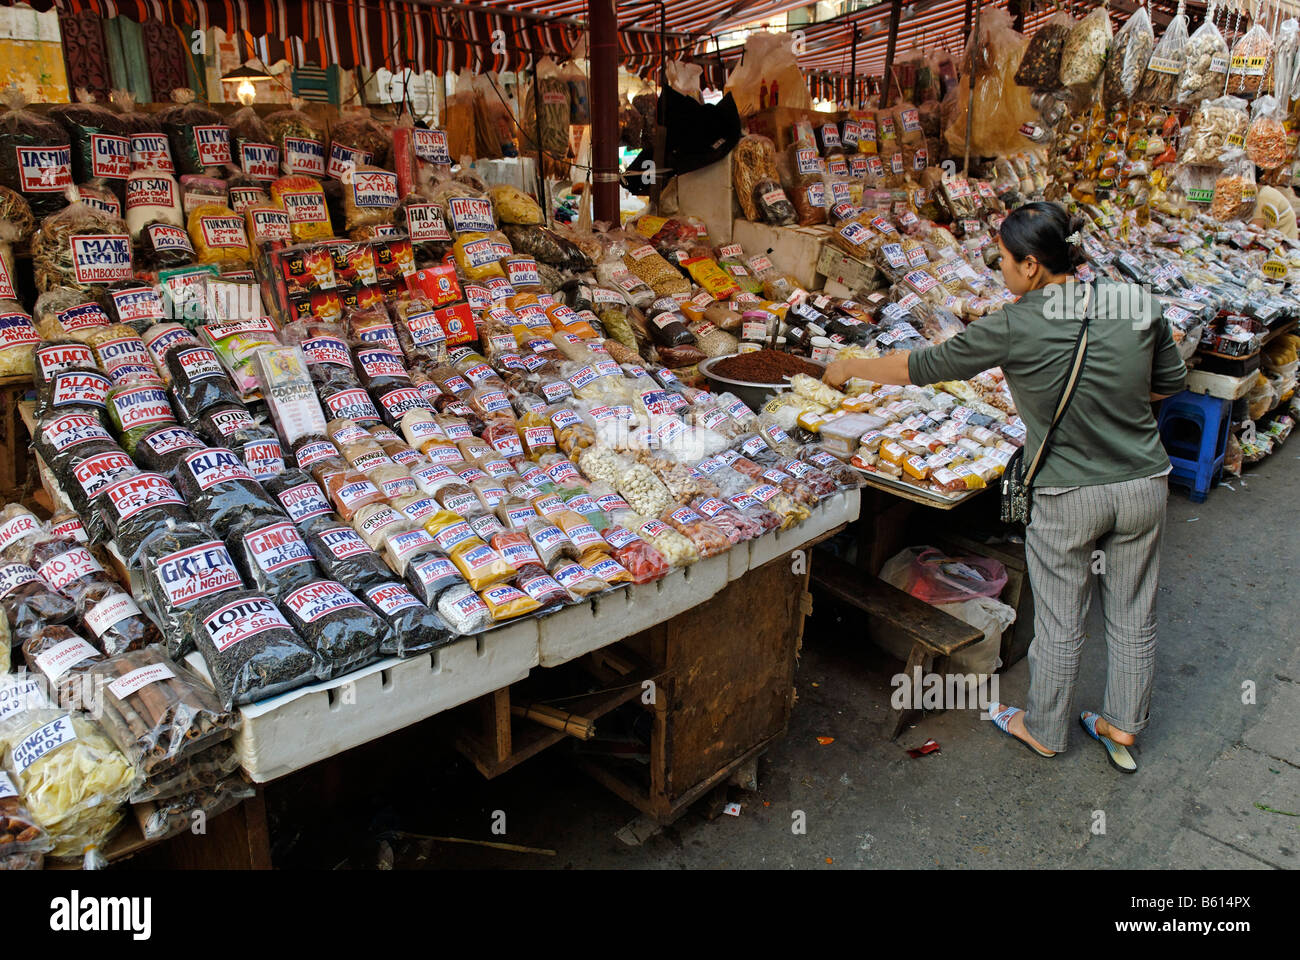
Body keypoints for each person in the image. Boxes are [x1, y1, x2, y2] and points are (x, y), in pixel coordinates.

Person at [823, 201, 1187, 773]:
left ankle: (1044, 728)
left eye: (1002, 260)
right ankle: (1123, 722)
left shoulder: (1015, 322)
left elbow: (920, 366)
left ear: (1033, 266)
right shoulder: (1137, 303)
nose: (999, 269)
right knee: (1134, 610)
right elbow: (1168, 385)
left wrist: (847, 367)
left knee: (1062, 620)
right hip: (1144, 482)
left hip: (1070, 494)